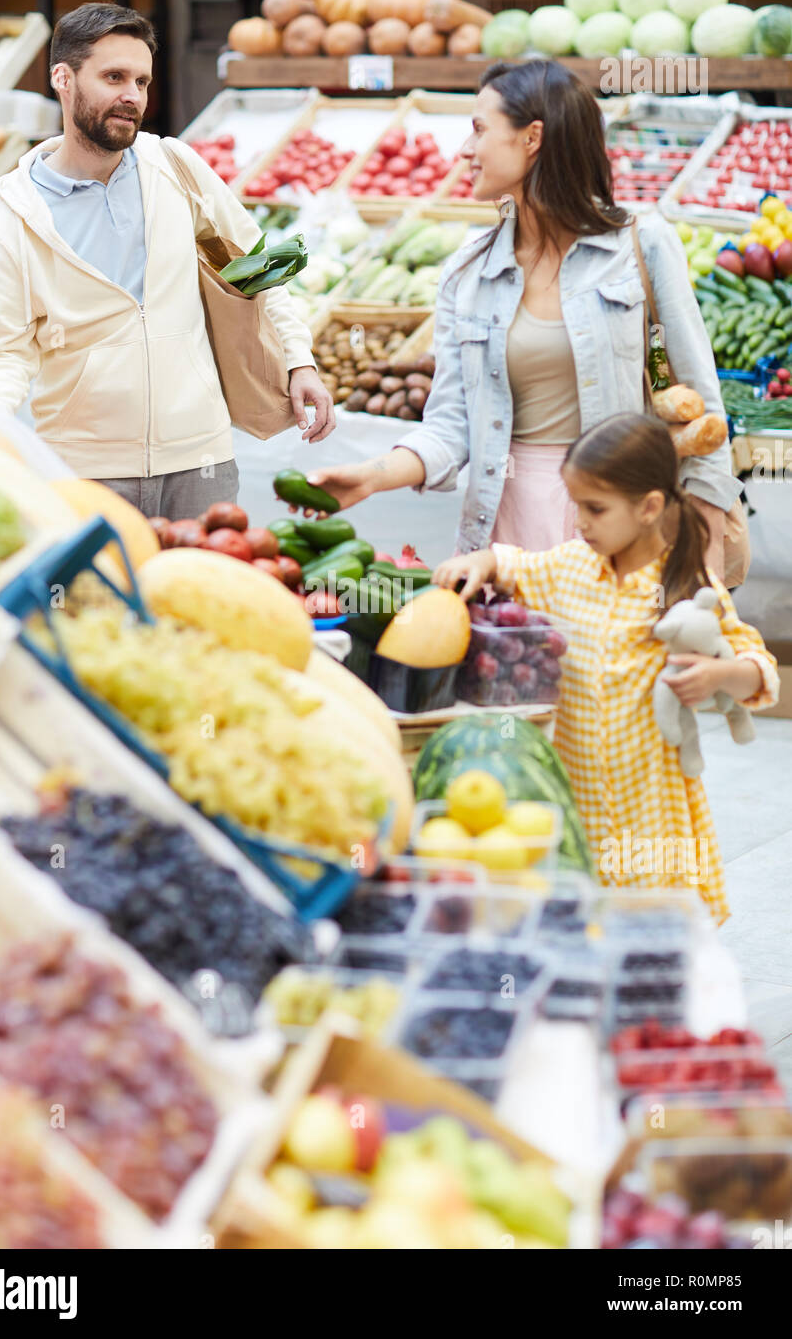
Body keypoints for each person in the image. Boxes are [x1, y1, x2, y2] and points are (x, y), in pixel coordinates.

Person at [307, 59, 739, 580]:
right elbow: (451, 424)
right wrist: (371, 476)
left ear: (532, 138)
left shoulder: (641, 246)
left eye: (479, 129)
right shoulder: (469, 271)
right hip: (507, 520)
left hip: (623, 520)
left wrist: (706, 560)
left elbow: (704, 414)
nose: (464, 150)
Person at [0, 3, 334, 520]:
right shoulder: (10, 217)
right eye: (114, 77)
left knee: (203, 597)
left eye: (141, 81)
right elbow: (1, 354)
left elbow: (259, 267)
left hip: (202, 459)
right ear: (62, 78)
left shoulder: (176, 168)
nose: (132, 96)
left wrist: (299, 360)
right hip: (84, 472)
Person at [434, 415, 778, 924]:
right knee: (584, 925)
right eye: (577, 506)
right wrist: (478, 564)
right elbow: (511, 564)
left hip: (652, 806)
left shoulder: (684, 580)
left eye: (595, 509)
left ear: (649, 508)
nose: (581, 523)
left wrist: (718, 677)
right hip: (578, 797)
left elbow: (758, 669)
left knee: (653, 930)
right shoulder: (569, 566)